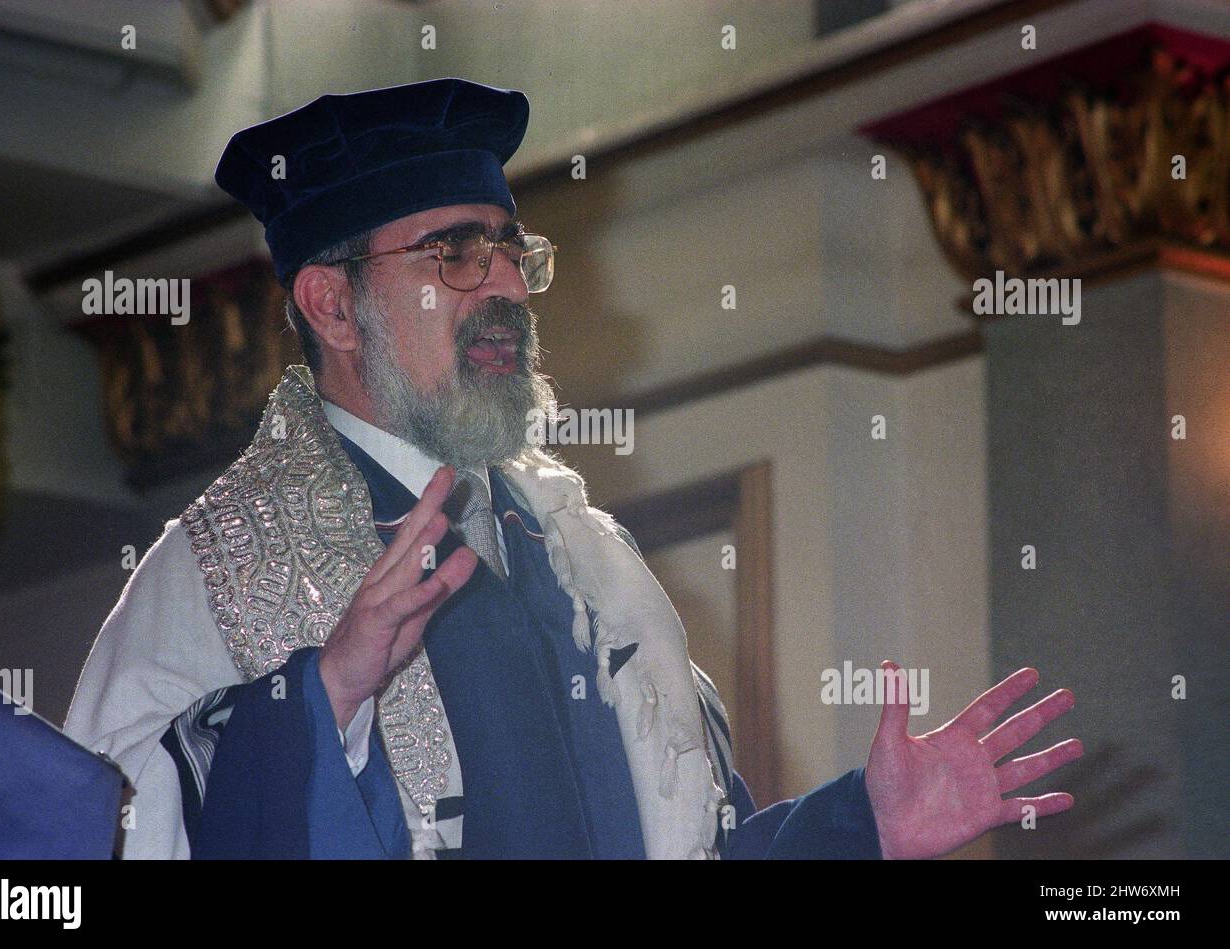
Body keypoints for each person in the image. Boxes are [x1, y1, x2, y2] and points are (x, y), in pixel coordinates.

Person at [64, 77, 1082, 859]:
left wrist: (856, 825)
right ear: (332, 305)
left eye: (512, 250)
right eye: (456, 253)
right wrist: (319, 699)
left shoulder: (587, 564)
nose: (505, 284)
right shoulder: (212, 575)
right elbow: (87, 843)